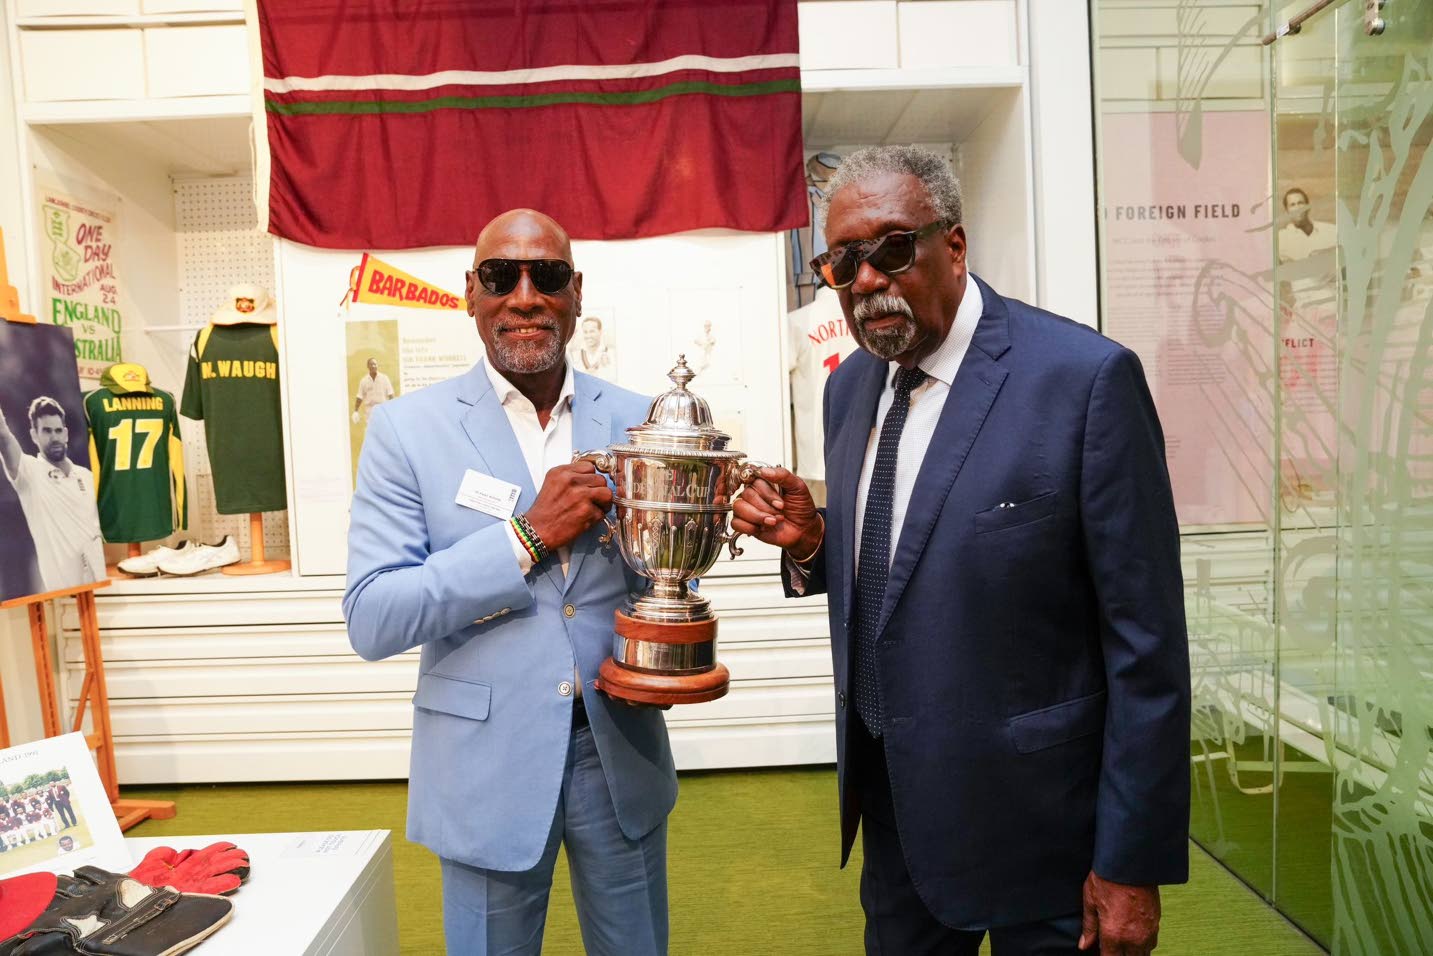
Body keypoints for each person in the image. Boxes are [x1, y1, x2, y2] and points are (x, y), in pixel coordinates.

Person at [732, 145, 1191, 955]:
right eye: (841, 262)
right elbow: (910, 568)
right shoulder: (851, 387)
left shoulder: (1083, 382)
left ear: (954, 245)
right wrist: (813, 544)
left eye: (890, 248)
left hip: (1045, 835)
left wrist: (1131, 859)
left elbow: (1145, 647)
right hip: (895, 814)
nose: (866, 279)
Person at [343, 209, 675, 956]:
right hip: (482, 764)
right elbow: (372, 616)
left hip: (616, 750)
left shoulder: (639, 420)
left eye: (547, 275)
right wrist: (524, 538)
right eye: (501, 276)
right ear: (470, 292)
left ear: (575, 291)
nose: (524, 296)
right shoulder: (405, 431)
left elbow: (665, 573)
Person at [0, 397, 106, 592]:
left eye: (58, 431)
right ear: (34, 435)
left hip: (98, 582)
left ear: (66, 433)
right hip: (62, 592)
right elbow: (3, 435)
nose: (54, 437)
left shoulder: (87, 476)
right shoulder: (29, 473)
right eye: (46, 431)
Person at [351, 357, 395, 424]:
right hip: (369, 412)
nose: (373, 366)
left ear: (377, 365)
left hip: (383, 410)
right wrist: (356, 411)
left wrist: (393, 409)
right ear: (368, 366)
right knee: (372, 432)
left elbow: (391, 395)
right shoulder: (364, 381)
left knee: (383, 431)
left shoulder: (384, 378)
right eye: (371, 364)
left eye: (375, 364)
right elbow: (359, 397)